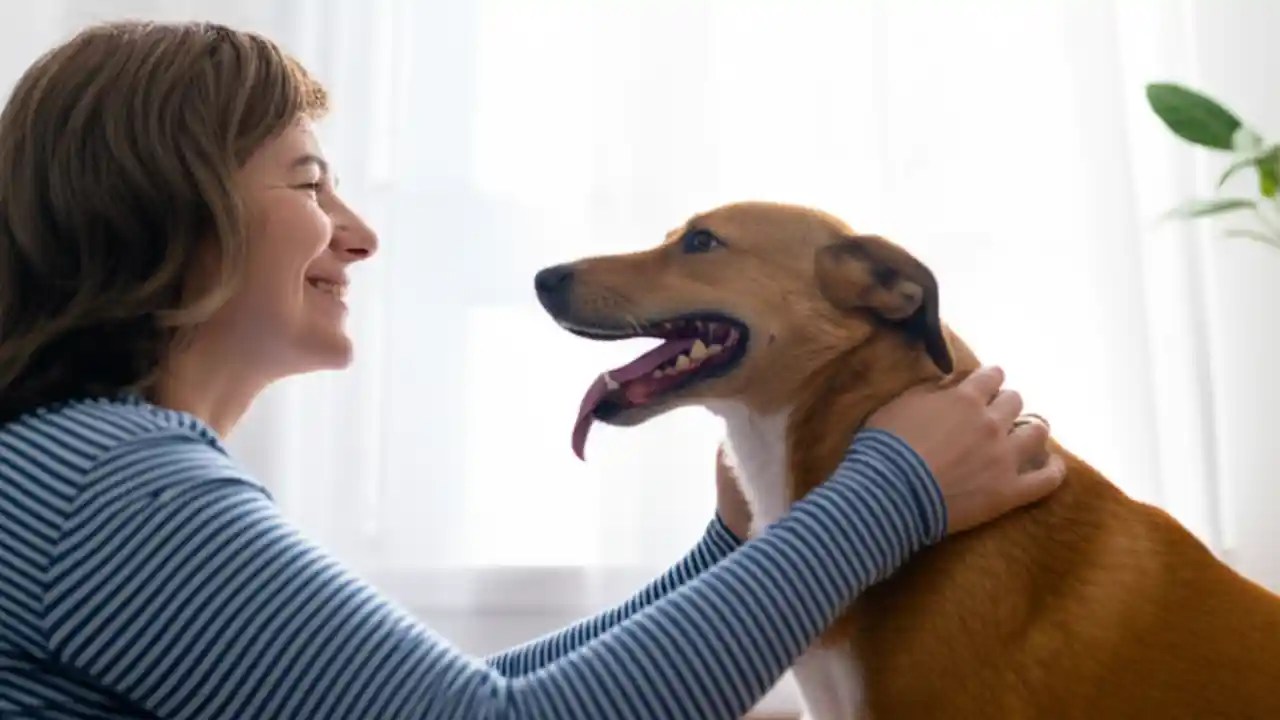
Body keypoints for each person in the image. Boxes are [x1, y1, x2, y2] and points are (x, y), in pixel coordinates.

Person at [0, 20, 1065, 720]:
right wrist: (887, 496)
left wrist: (733, 552)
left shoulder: (74, 468)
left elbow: (461, 699)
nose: (359, 234)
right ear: (169, 209)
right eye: (310, 184)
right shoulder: (111, 481)